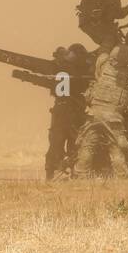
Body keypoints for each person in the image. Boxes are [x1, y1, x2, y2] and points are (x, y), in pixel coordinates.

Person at [74, 41, 128, 180]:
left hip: (94, 114)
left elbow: (102, 53)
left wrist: (110, 40)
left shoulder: (102, 66)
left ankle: (81, 175)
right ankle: (121, 177)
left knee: (87, 146)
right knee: (115, 148)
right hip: (113, 118)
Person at [44, 44, 90, 180]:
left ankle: (51, 172)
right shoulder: (78, 68)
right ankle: (71, 172)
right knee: (73, 142)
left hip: (61, 109)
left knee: (56, 142)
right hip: (72, 110)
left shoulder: (58, 66)